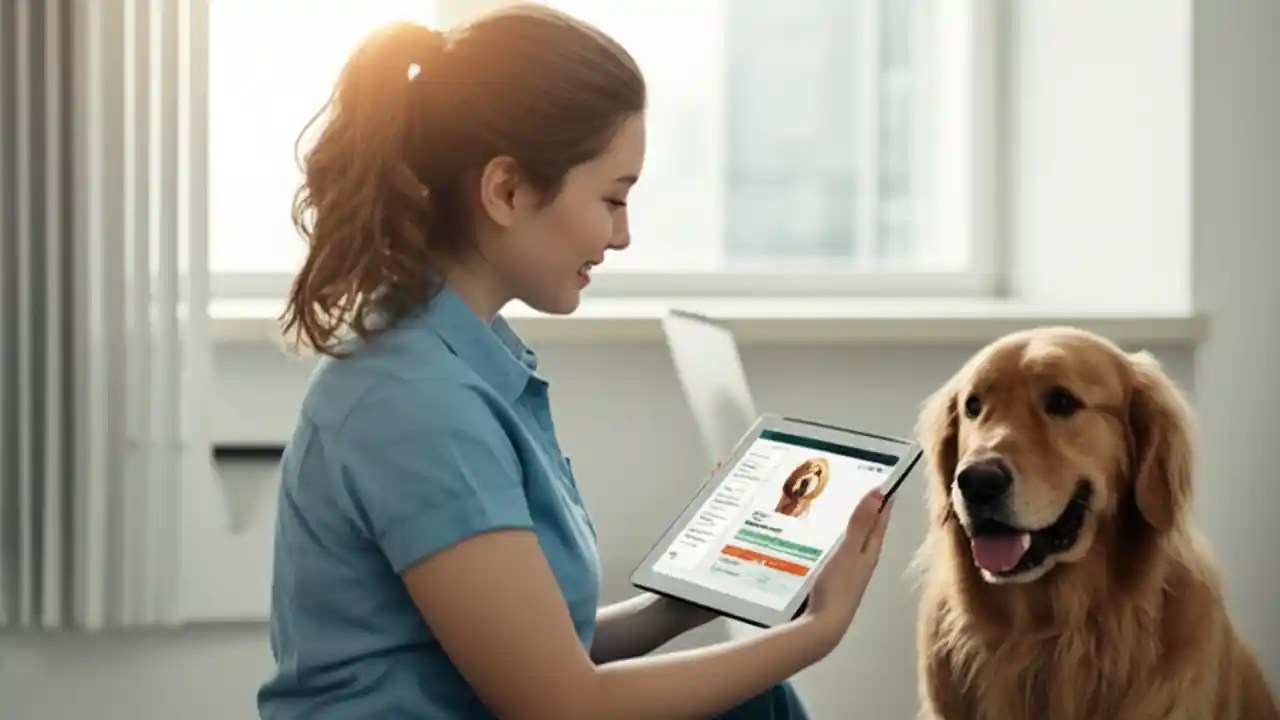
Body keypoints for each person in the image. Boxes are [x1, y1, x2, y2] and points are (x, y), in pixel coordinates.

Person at [257, 4, 895, 718]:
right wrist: (820, 631)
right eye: (612, 199)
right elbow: (562, 703)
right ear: (505, 191)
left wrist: (693, 596)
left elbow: (544, 651)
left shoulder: (458, 364)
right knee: (759, 707)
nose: (622, 236)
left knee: (754, 704)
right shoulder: (416, 401)